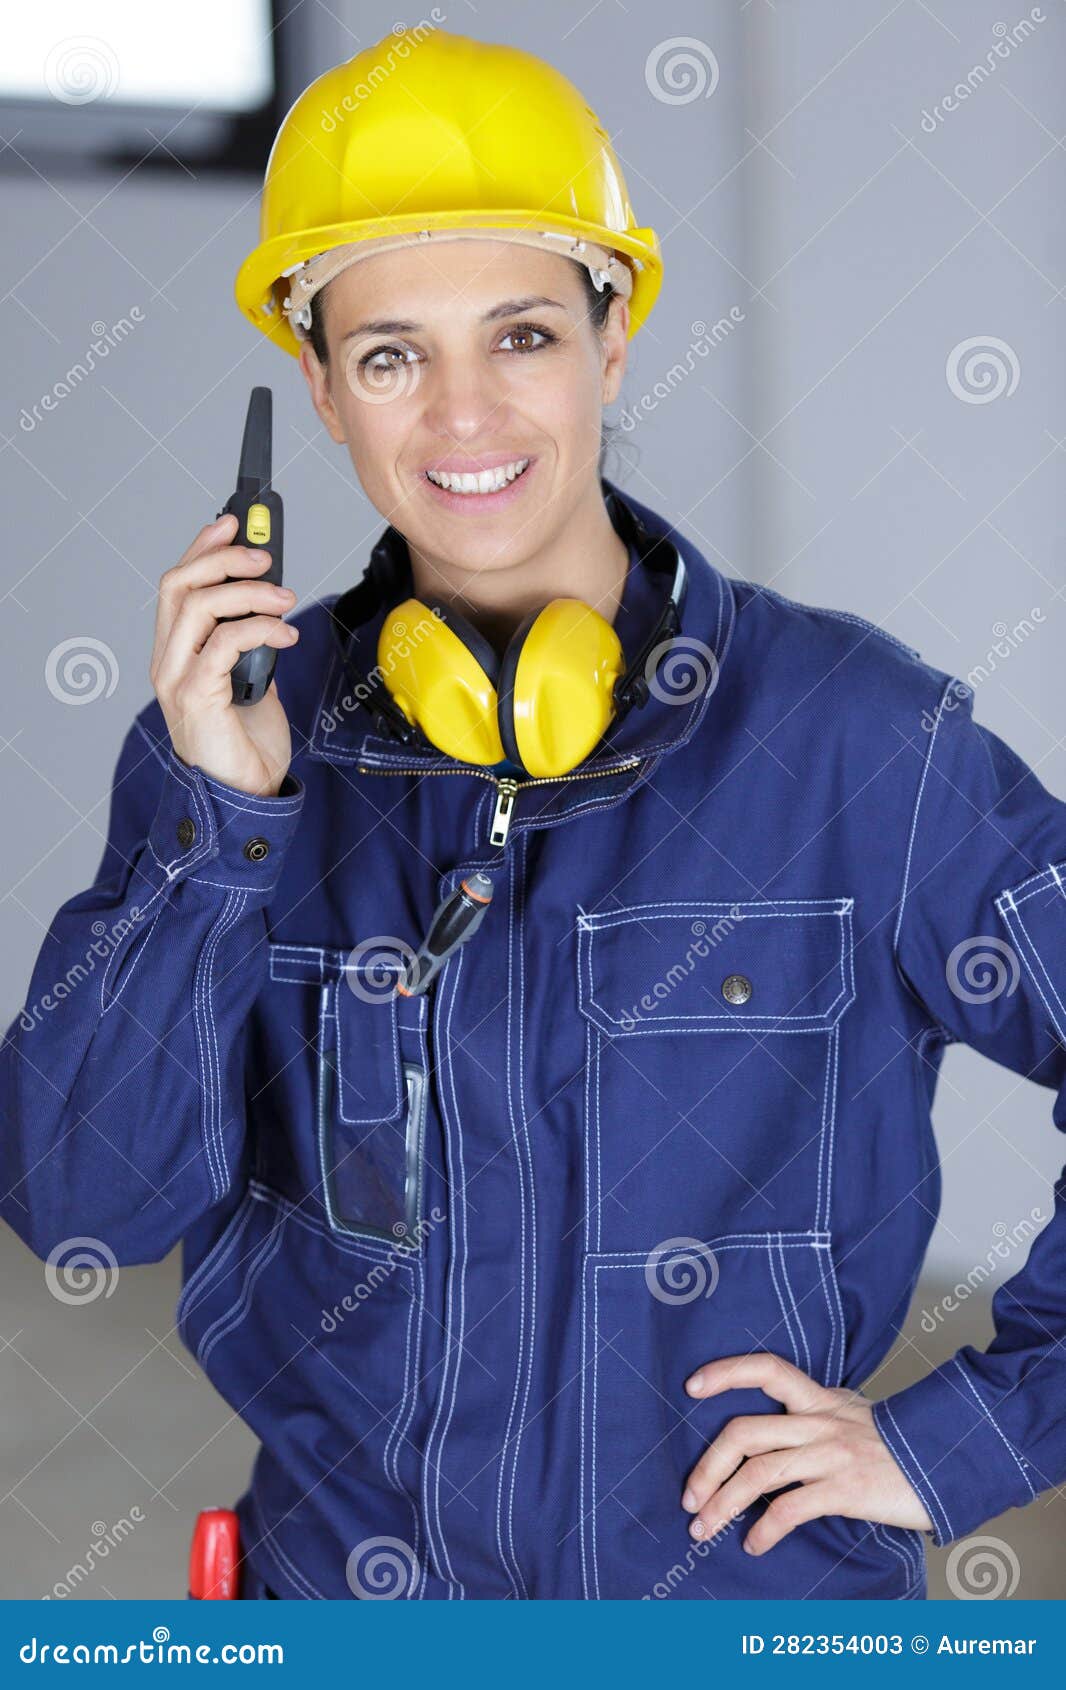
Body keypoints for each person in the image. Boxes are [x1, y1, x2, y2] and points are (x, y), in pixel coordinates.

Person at [2, 26, 1064, 1603]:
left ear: (613, 339)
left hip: (737, 1623)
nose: (462, 414)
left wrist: (957, 1441)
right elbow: (83, 1206)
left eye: (520, 335)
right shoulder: (241, 733)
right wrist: (219, 824)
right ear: (321, 388)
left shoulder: (851, 739)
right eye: (390, 355)